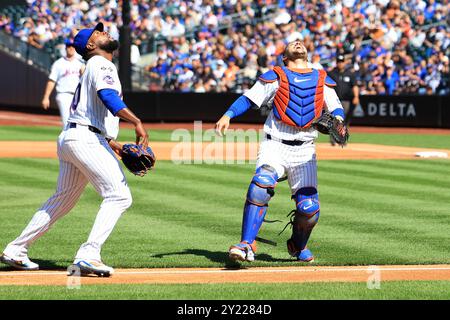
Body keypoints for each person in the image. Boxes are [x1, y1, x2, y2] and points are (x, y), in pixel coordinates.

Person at [0, 23, 149, 277]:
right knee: (119, 196)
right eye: (98, 32)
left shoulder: (92, 66)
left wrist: (112, 143)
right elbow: (109, 97)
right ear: (90, 45)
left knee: (62, 200)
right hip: (85, 139)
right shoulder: (102, 63)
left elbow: (90, 111)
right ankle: (89, 254)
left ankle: (16, 249)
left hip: (75, 137)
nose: (105, 32)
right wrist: (136, 122)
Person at [215, 40, 345, 263]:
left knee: (310, 208)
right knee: (260, 186)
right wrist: (228, 114)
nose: (298, 43)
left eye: (301, 43)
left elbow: (335, 107)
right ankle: (246, 244)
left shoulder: (321, 78)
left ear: (307, 52)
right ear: (284, 57)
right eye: (292, 43)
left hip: (305, 149)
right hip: (274, 143)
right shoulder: (277, 75)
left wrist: (339, 120)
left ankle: (297, 244)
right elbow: (249, 98)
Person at [41, 40, 85, 126]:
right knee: (67, 123)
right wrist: (46, 97)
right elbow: (52, 80)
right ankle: (66, 139)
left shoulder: (80, 64)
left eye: (73, 46)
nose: (71, 48)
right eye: (69, 46)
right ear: (65, 48)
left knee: (78, 123)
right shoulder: (58, 63)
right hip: (63, 95)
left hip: (78, 96)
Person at [327, 54, 360, 126]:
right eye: (339, 62)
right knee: (335, 119)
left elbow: (355, 85)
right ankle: (336, 134)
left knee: (343, 119)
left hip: (346, 100)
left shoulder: (350, 73)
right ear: (336, 63)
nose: (340, 63)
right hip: (334, 101)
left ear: (345, 62)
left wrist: (356, 96)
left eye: (342, 62)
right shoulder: (331, 73)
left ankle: (342, 133)